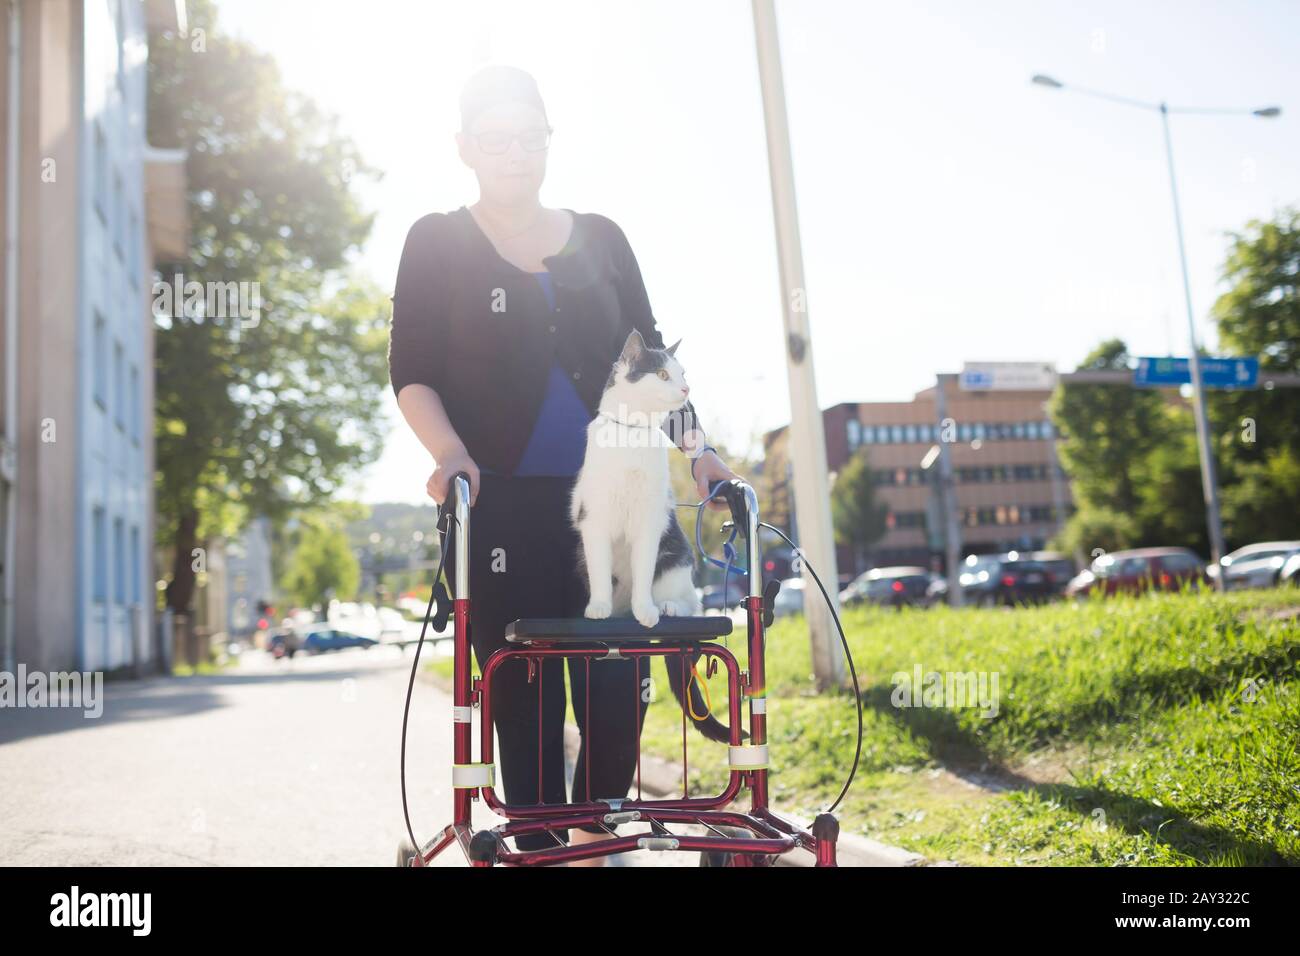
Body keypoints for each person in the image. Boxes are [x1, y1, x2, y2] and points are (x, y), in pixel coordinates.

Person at [388, 64, 741, 866]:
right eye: (496, 139)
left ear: (551, 141)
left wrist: (702, 454)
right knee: (527, 694)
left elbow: (654, 364)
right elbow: (412, 368)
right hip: (504, 506)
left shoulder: (602, 238)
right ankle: (543, 840)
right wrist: (450, 454)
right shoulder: (437, 240)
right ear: (465, 148)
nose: (515, 154)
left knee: (619, 681)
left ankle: (595, 836)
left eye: (531, 137)